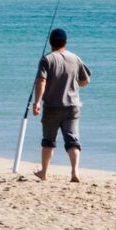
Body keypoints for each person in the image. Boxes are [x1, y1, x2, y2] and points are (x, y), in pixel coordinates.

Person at [29, 28, 91, 183]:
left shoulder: (47, 60)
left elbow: (41, 81)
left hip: (52, 106)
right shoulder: (75, 58)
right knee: (72, 140)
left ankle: (44, 173)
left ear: (50, 42)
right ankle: (74, 171)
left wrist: (37, 102)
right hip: (73, 106)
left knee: (48, 141)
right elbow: (85, 80)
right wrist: (72, 84)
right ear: (66, 42)